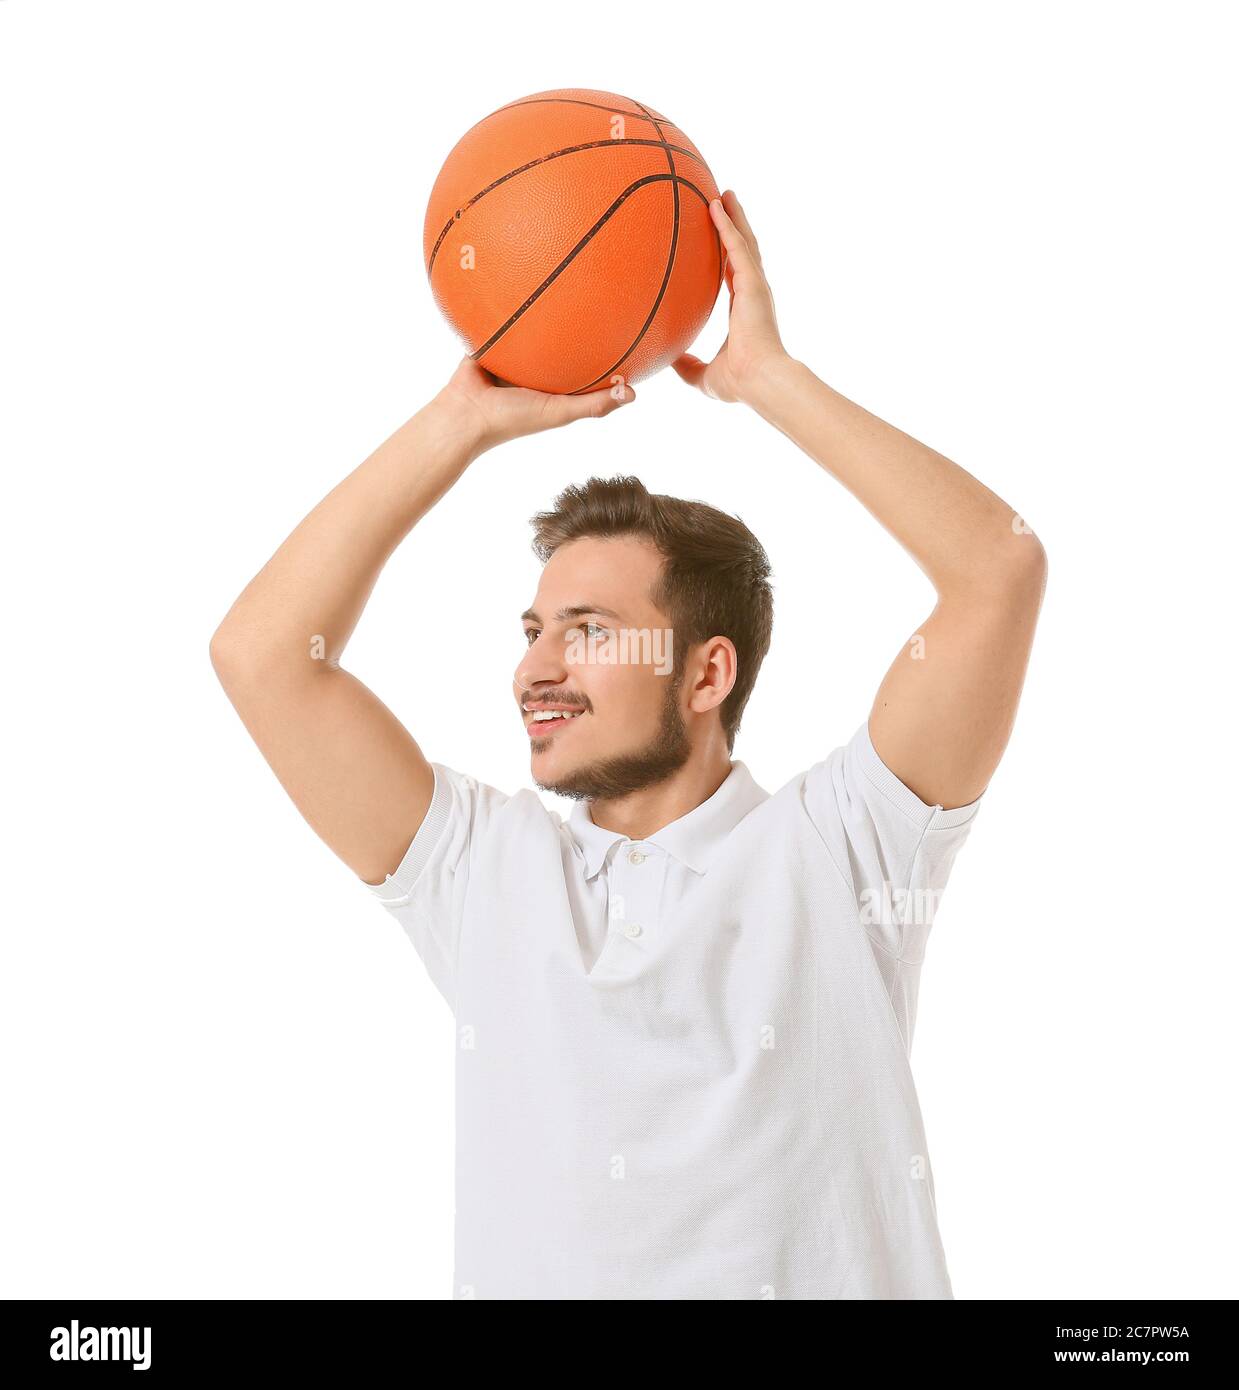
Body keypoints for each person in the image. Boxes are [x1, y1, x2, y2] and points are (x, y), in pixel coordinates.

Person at [210, 191, 1047, 1299]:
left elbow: (999, 572)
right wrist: (461, 419)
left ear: (706, 672)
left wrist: (771, 382)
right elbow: (263, 654)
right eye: (533, 630)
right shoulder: (484, 871)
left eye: (590, 631)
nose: (535, 670)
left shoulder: (846, 847)